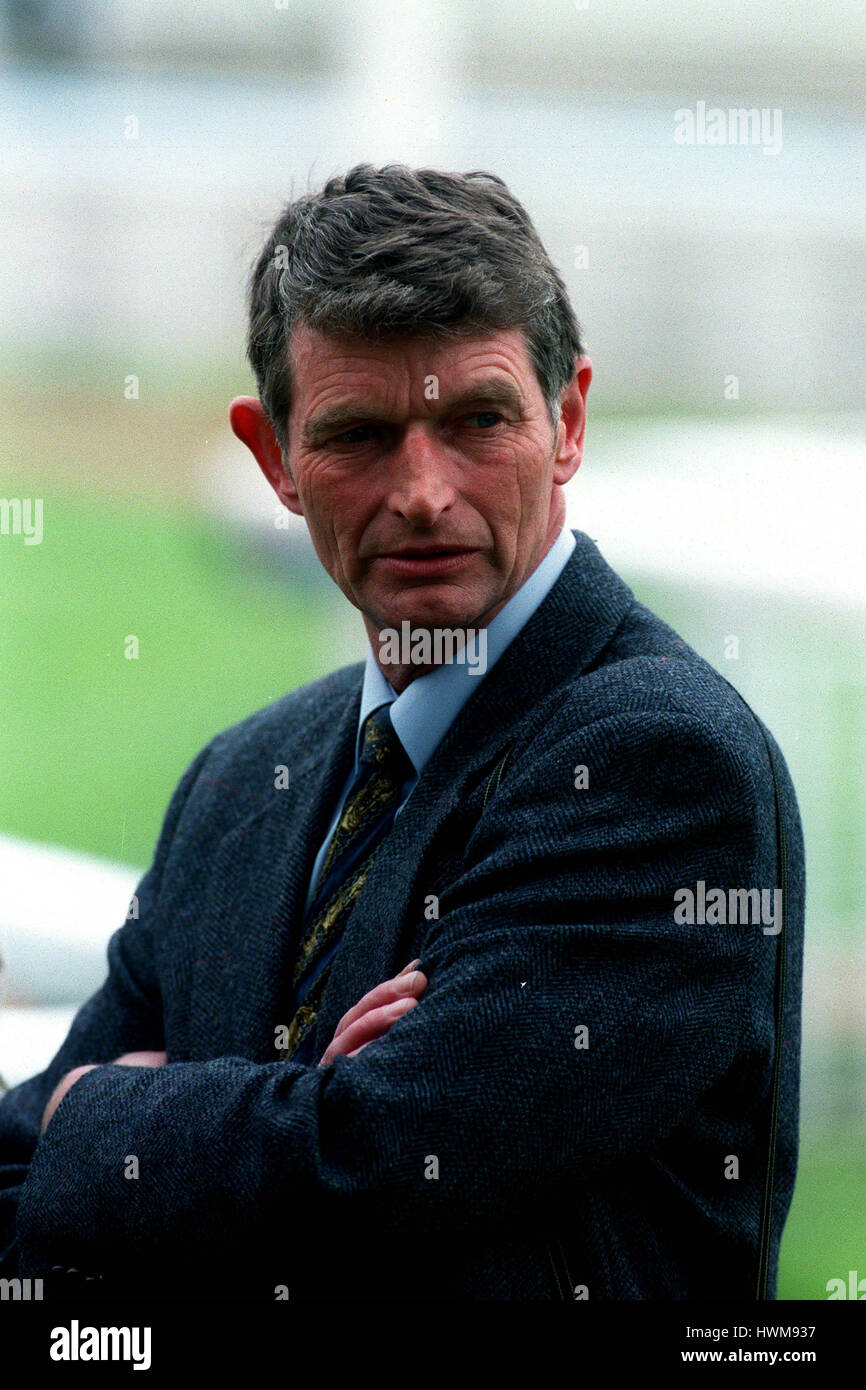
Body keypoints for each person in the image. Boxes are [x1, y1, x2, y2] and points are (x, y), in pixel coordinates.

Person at [0, 164, 804, 1301]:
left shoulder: (657, 763)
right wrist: (284, 1114)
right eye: (361, 435)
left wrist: (101, 1109)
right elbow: (13, 1190)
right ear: (272, 458)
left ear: (566, 419)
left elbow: (375, 1172)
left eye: (476, 420)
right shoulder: (236, 782)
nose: (423, 491)